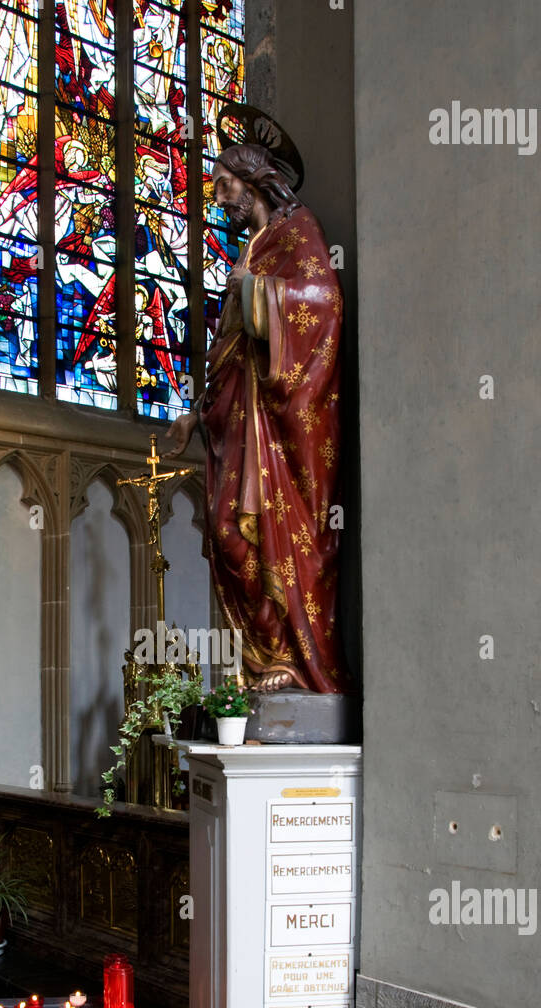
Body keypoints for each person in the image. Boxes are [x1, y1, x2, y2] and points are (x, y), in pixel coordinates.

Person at [165, 143, 354, 694]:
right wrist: (196, 417)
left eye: (225, 185)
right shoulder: (250, 249)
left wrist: (255, 293)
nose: (219, 198)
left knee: (264, 537)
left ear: (253, 180)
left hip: (282, 432)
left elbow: (323, 305)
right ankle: (262, 653)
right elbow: (226, 353)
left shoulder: (298, 232)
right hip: (238, 425)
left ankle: (289, 660)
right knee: (227, 531)